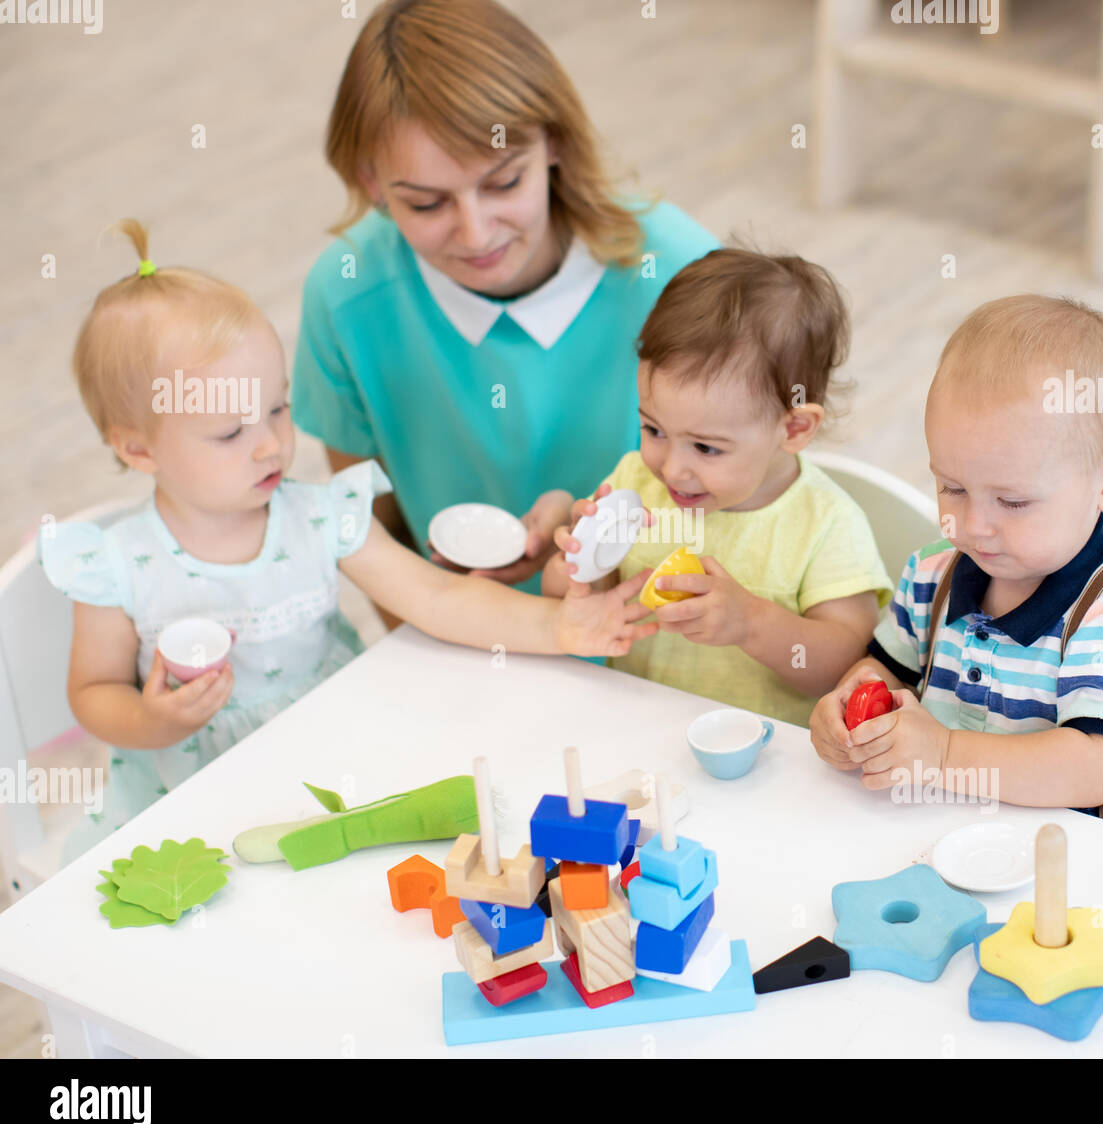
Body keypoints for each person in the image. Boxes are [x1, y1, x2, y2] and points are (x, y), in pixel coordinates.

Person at [40, 222, 657, 861]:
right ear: (138, 449)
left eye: (277, 409)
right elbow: (93, 691)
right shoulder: (116, 568)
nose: (271, 444)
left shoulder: (318, 517)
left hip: (333, 771)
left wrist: (561, 626)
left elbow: (440, 599)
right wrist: (153, 721)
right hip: (193, 806)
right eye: (230, 434)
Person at [292, 0, 717, 611]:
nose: (474, 233)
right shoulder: (346, 297)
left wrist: (589, 545)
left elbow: (752, 510)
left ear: (555, 143)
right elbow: (375, 546)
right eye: (426, 204)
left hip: (662, 644)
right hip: (462, 643)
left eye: (503, 183)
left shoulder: (682, 273)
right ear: (370, 182)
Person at [809, 295, 1103, 837]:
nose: (973, 525)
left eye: (1013, 502)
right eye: (952, 487)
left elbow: (1101, 766)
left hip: (1092, 840)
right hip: (949, 822)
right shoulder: (932, 573)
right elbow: (885, 669)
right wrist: (847, 704)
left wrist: (944, 752)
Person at [544, 248, 892, 727]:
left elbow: (847, 666)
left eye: (705, 448)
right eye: (653, 430)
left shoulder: (826, 523)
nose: (672, 470)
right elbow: (564, 602)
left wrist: (751, 624)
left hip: (766, 762)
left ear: (792, 428)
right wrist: (578, 566)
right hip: (634, 729)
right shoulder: (633, 481)